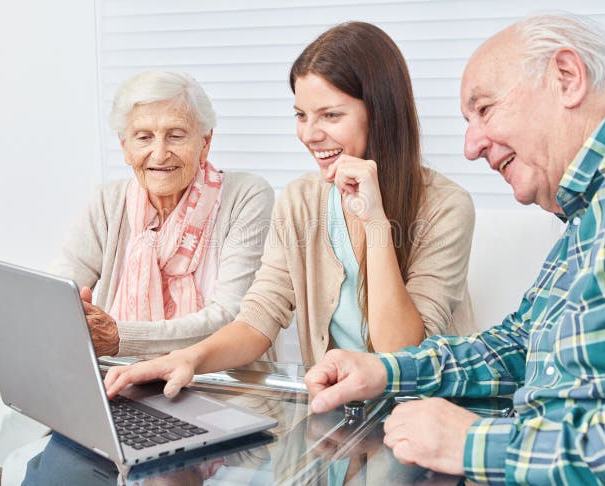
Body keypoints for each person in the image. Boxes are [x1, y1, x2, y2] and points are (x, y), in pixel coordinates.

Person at [303, 12, 605, 484]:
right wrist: (386, 371)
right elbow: (519, 346)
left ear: (566, 78)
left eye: (484, 109)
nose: (471, 146)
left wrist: (470, 443)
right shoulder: (593, 204)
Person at [104, 22, 477, 397]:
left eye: (330, 115)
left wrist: (374, 220)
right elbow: (259, 317)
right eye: (301, 115)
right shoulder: (301, 199)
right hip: (338, 408)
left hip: (423, 409)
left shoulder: (447, 207)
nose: (310, 134)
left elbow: (400, 353)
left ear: (381, 112)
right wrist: (189, 358)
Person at [50, 70, 274, 357]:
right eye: (143, 137)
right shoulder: (108, 201)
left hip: (221, 383)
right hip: (123, 379)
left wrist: (123, 337)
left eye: (176, 135)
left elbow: (234, 319)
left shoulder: (246, 195)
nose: (159, 153)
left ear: (205, 142)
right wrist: (71, 310)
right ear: (125, 147)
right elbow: (58, 291)